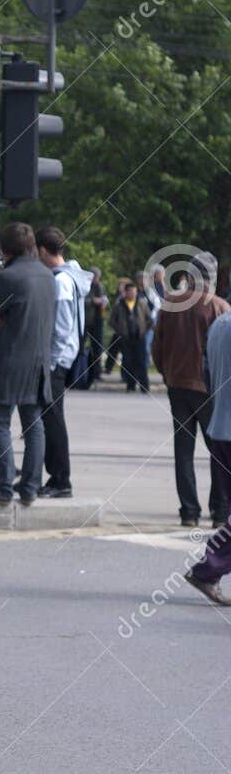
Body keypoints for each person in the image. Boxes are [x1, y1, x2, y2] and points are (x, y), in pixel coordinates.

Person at [152, 252, 231, 526]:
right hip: (210, 390)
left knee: (183, 451)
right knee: (219, 450)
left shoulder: (170, 304)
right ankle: (219, 511)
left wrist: (167, 374)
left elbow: (157, 348)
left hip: (178, 385)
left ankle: (189, 512)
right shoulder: (220, 307)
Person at [0, 223, 56, 506]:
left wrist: (3, 318)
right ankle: (30, 487)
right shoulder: (48, 276)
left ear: (5, 249)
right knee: (34, 425)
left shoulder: (8, 277)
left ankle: (2, 486)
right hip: (39, 363)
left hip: (8, 362)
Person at [36, 227, 93, 499]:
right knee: (53, 418)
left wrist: (51, 362)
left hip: (57, 361)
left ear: (42, 251)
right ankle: (57, 477)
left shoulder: (61, 282)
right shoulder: (71, 276)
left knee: (54, 421)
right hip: (65, 358)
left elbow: (61, 328)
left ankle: (61, 480)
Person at [183, 307, 231, 603]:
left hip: (221, 427)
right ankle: (207, 570)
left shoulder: (220, 324)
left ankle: (208, 571)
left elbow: (208, 374)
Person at [110, 278, 153, 392]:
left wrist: (144, 330)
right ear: (126, 292)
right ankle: (130, 386)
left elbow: (149, 319)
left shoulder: (142, 303)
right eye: (131, 292)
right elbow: (112, 321)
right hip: (126, 338)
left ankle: (145, 387)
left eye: (135, 292)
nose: (133, 294)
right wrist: (120, 331)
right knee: (128, 362)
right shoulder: (119, 305)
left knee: (141, 362)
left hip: (139, 337)